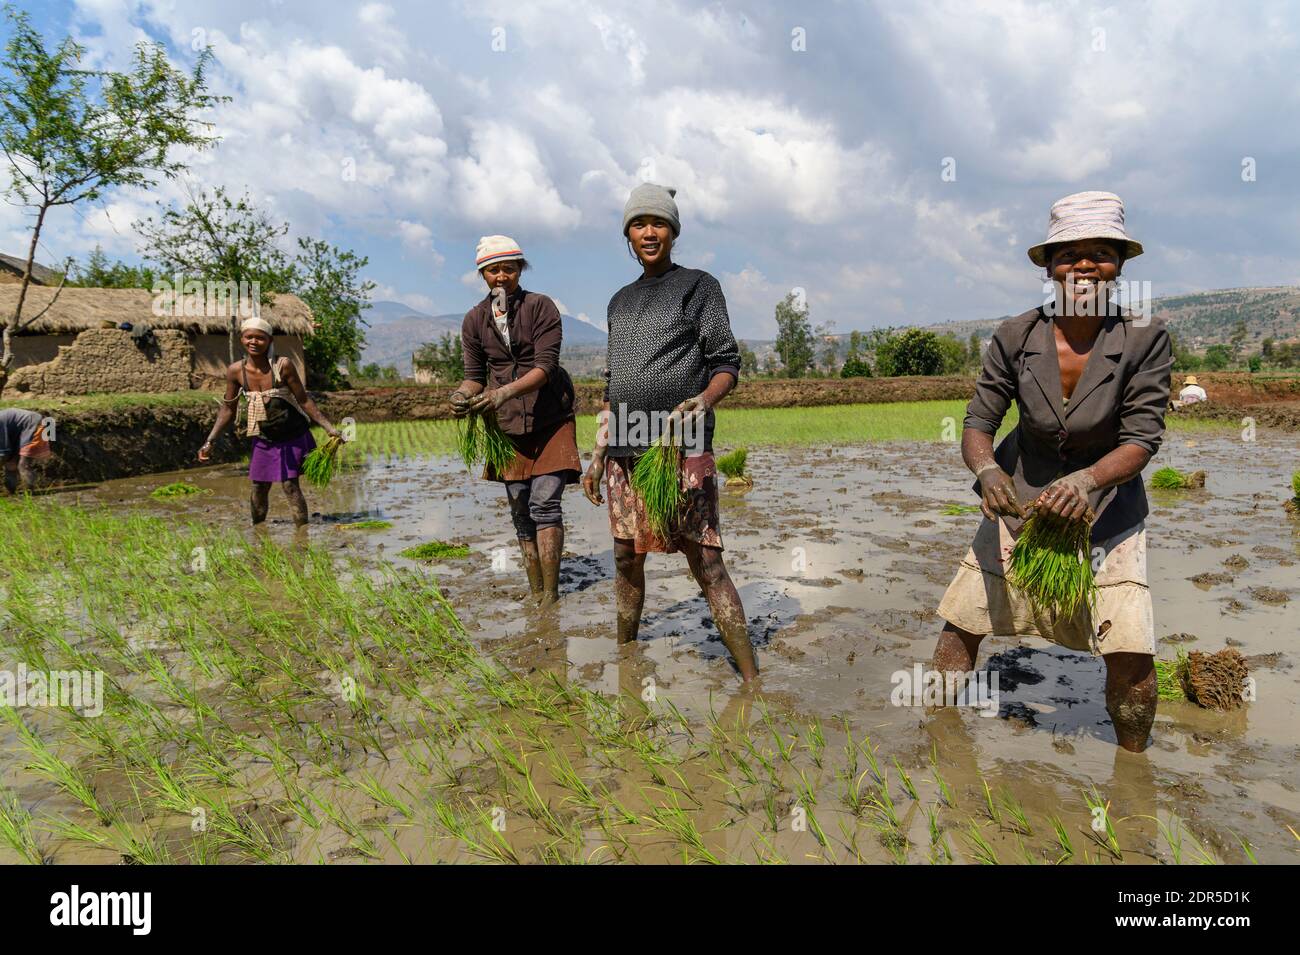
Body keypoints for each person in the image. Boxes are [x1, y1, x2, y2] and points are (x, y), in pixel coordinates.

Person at [929, 191, 1171, 752]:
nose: (1084, 265)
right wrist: (988, 472)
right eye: (1068, 254)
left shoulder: (1143, 335)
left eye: (1099, 253)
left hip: (1107, 510)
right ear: (1048, 265)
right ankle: (937, 738)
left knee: (1130, 648)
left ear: (1121, 264)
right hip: (1020, 503)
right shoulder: (1016, 335)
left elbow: (1142, 438)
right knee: (961, 625)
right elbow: (978, 422)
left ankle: (1134, 771)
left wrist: (1087, 481)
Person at [581, 183, 758, 683]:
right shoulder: (619, 302)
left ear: (674, 231)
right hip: (624, 447)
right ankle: (626, 659)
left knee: (705, 560)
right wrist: (597, 457)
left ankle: (750, 679)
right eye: (639, 224)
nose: (649, 232)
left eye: (659, 223)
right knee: (623, 556)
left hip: (682, 445)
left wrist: (702, 400)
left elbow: (726, 363)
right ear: (628, 235)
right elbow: (613, 383)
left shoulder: (699, 286)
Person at [450, 235, 581, 607]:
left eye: (509, 268)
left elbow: (545, 367)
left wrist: (503, 393)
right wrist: (461, 396)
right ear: (483, 275)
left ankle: (551, 595)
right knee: (520, 506)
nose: (502, 276)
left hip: (551, 416)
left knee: (544, 503)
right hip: (506, 425)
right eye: (494, 270)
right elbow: (474, 374)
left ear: (520, 270)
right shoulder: (475, 320)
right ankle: (535, 590)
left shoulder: (541, 308)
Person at [198, 317, 341, 525]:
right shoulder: (236, 371)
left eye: (260, 338)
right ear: (242, 339)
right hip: (264, 436)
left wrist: (329, 428)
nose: (254, 342)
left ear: (269, 340)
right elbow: (228, 408)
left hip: (292, 434)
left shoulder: (283, 366)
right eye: (249, 337)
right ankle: (258, 530)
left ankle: (302, 535)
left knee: (290, 485)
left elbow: (303, 400)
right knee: (259, 485)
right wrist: (210, 441)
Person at [0, 407, 52, 493]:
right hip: (24, 429)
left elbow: (3, 454)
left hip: (36, 425)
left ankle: (30, 494)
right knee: (10, 465)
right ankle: (11, 493)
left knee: (23, 465)